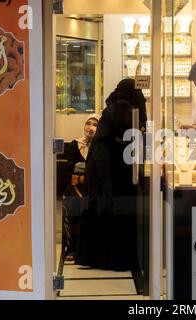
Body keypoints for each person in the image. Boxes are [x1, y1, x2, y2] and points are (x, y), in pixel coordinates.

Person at [75, 79, 146, 271]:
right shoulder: (124, 106)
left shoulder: (116, 104)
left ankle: (94, 256)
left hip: (103, 162)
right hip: (110, 164)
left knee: (100, 204)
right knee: (112, 205)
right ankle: (115, 258)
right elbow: (128, 134)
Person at [61, 113, 100, 261]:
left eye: (95, 125)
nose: (90, 128)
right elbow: (70, 166)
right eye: (88, 123)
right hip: (76, 186)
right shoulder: (74, 144)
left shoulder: (100, 146)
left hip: (93, 188)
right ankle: (72, 247)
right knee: (71, 205)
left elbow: (98, 169)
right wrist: (87, 170)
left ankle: (90, 248)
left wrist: (84, 171)